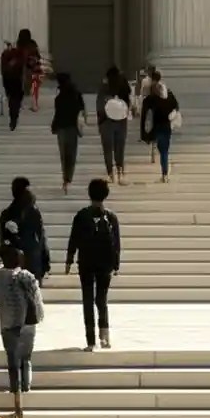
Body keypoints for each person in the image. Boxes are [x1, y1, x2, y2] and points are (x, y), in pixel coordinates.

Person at [0, 245, 45, 418]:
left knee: (13, 361)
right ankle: (26, 387)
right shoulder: (28, 276)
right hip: (29, 323)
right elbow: (38, 302)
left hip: (9, 324)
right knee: (26, 357)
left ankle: (17, 398)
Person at [66, 179, 122, 351]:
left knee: (88, 300)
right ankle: (105, 337)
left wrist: (69, 259)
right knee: (101, 299)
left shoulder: (82, 215)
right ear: (106, 194)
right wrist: (116, 264)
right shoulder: (111, 217)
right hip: (105, 264)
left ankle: (90, 341)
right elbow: (117, 243)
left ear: (89, 194)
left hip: (86, 263)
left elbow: (73, 239)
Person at [0, 177, 51, 283]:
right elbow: (41, 238)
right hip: (30, 264)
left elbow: (3, 241)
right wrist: (45, 262)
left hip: (16, 265)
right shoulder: (33, 213)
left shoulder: (7, 214)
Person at [140, 72, 181, 183]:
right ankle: (164, 174)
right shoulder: (169, 94)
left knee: (159, 146)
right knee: (164, 150)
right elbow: (176, 106)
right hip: (166, 125)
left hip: (156, 126)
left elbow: (145, 113)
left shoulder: (151, 97)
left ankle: (159, 165)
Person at [95, 66, 133, 186]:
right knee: (119, 148)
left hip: (106, 122)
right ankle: (120, 172)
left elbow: (99, 106)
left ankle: (111, 174)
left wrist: (100, 118)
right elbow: (129, 102)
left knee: (108, 149)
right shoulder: (123, 88)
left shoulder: (104, 88)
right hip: (121, 121)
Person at [51, 72, 87, 193]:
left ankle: (65, 179)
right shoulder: (76, 94)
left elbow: (58, 113)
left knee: (64, 155)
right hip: (72, 128)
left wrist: (54, 126)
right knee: (71, 154)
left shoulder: (59, 96)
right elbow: (82, 109)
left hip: (62, 127)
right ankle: (68, 178)